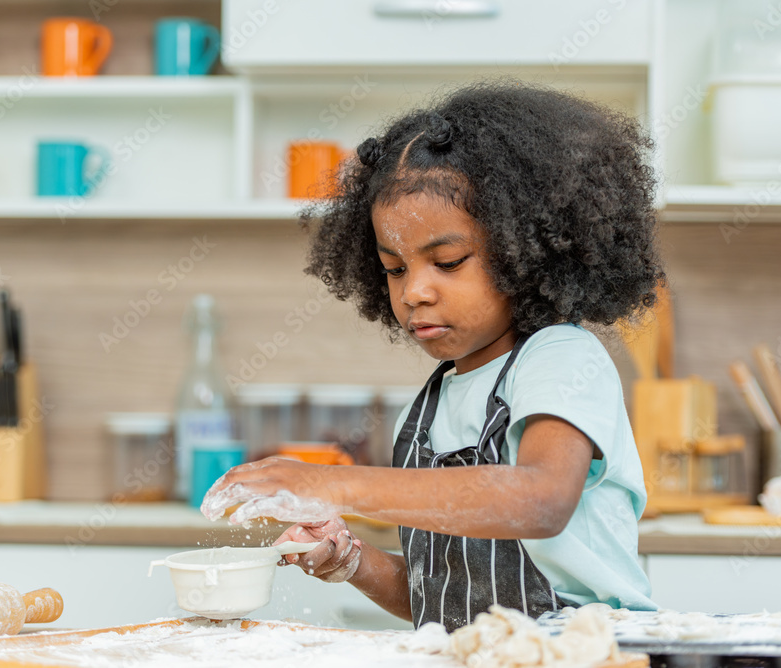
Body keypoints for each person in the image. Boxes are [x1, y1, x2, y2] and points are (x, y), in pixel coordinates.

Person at [203, 79, 663, 631]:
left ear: (527, 252)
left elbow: (539, 500)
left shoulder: (559, 356)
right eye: (395, 268)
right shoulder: (427, 411)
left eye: (446, 262)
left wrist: (330, 483)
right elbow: (441, 596)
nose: (413, 291)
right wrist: (350, 560)